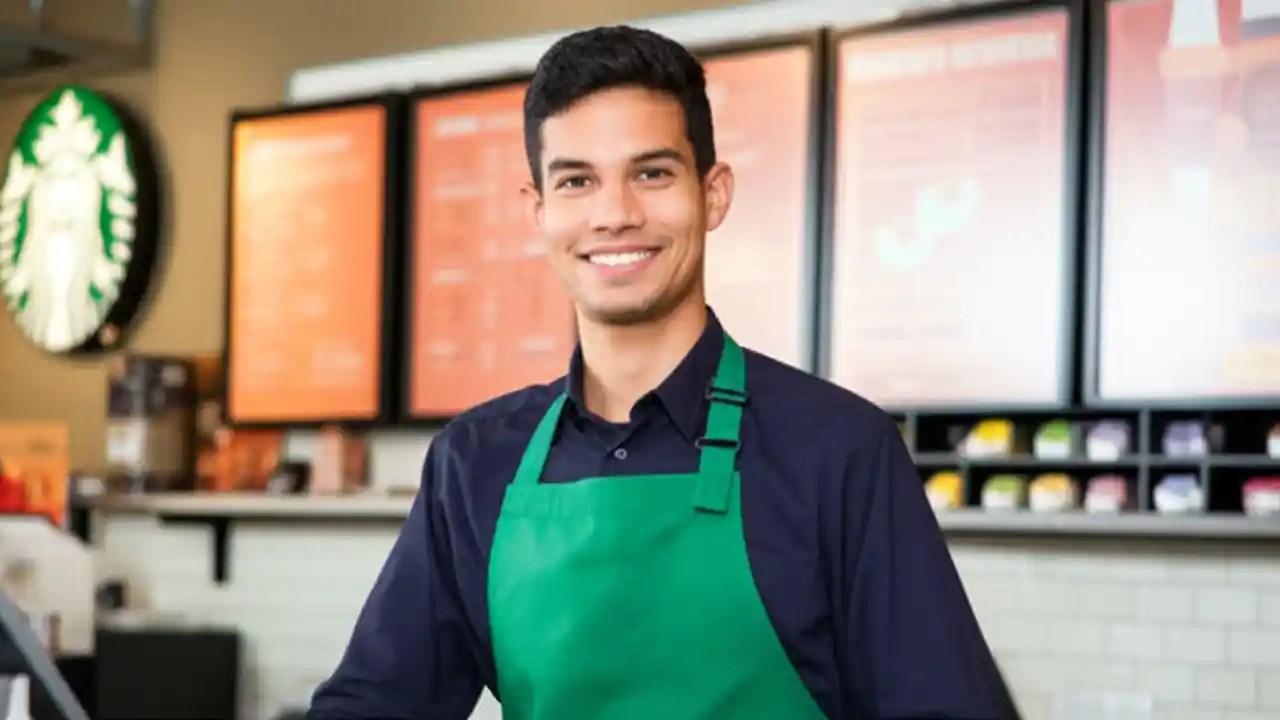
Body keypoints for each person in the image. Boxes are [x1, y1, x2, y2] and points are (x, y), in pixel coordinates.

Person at [307, 24, 1016, 720]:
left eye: (652, 173)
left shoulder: (840, 450)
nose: (615, 214)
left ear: (713, 195)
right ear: (538, 210)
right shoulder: (473, 463)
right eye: (577, 181)